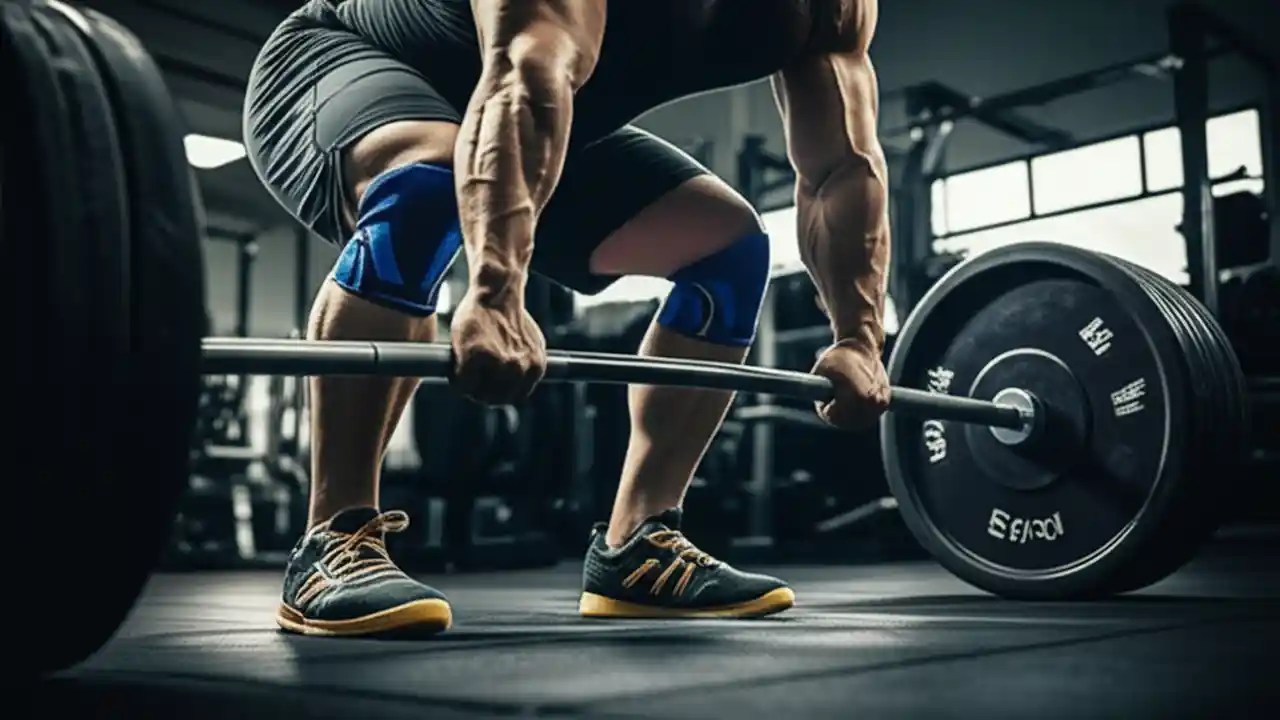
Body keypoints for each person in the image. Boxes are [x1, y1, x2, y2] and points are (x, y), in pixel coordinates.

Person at [243, 0, 891, 637]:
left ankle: (637, 544)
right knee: (428, 189)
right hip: (339, 64)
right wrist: (497, 289)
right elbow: (527, 73)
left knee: (729, 249)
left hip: (539, 113)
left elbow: (843, 166)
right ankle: (332, 536)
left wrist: (858, 339)